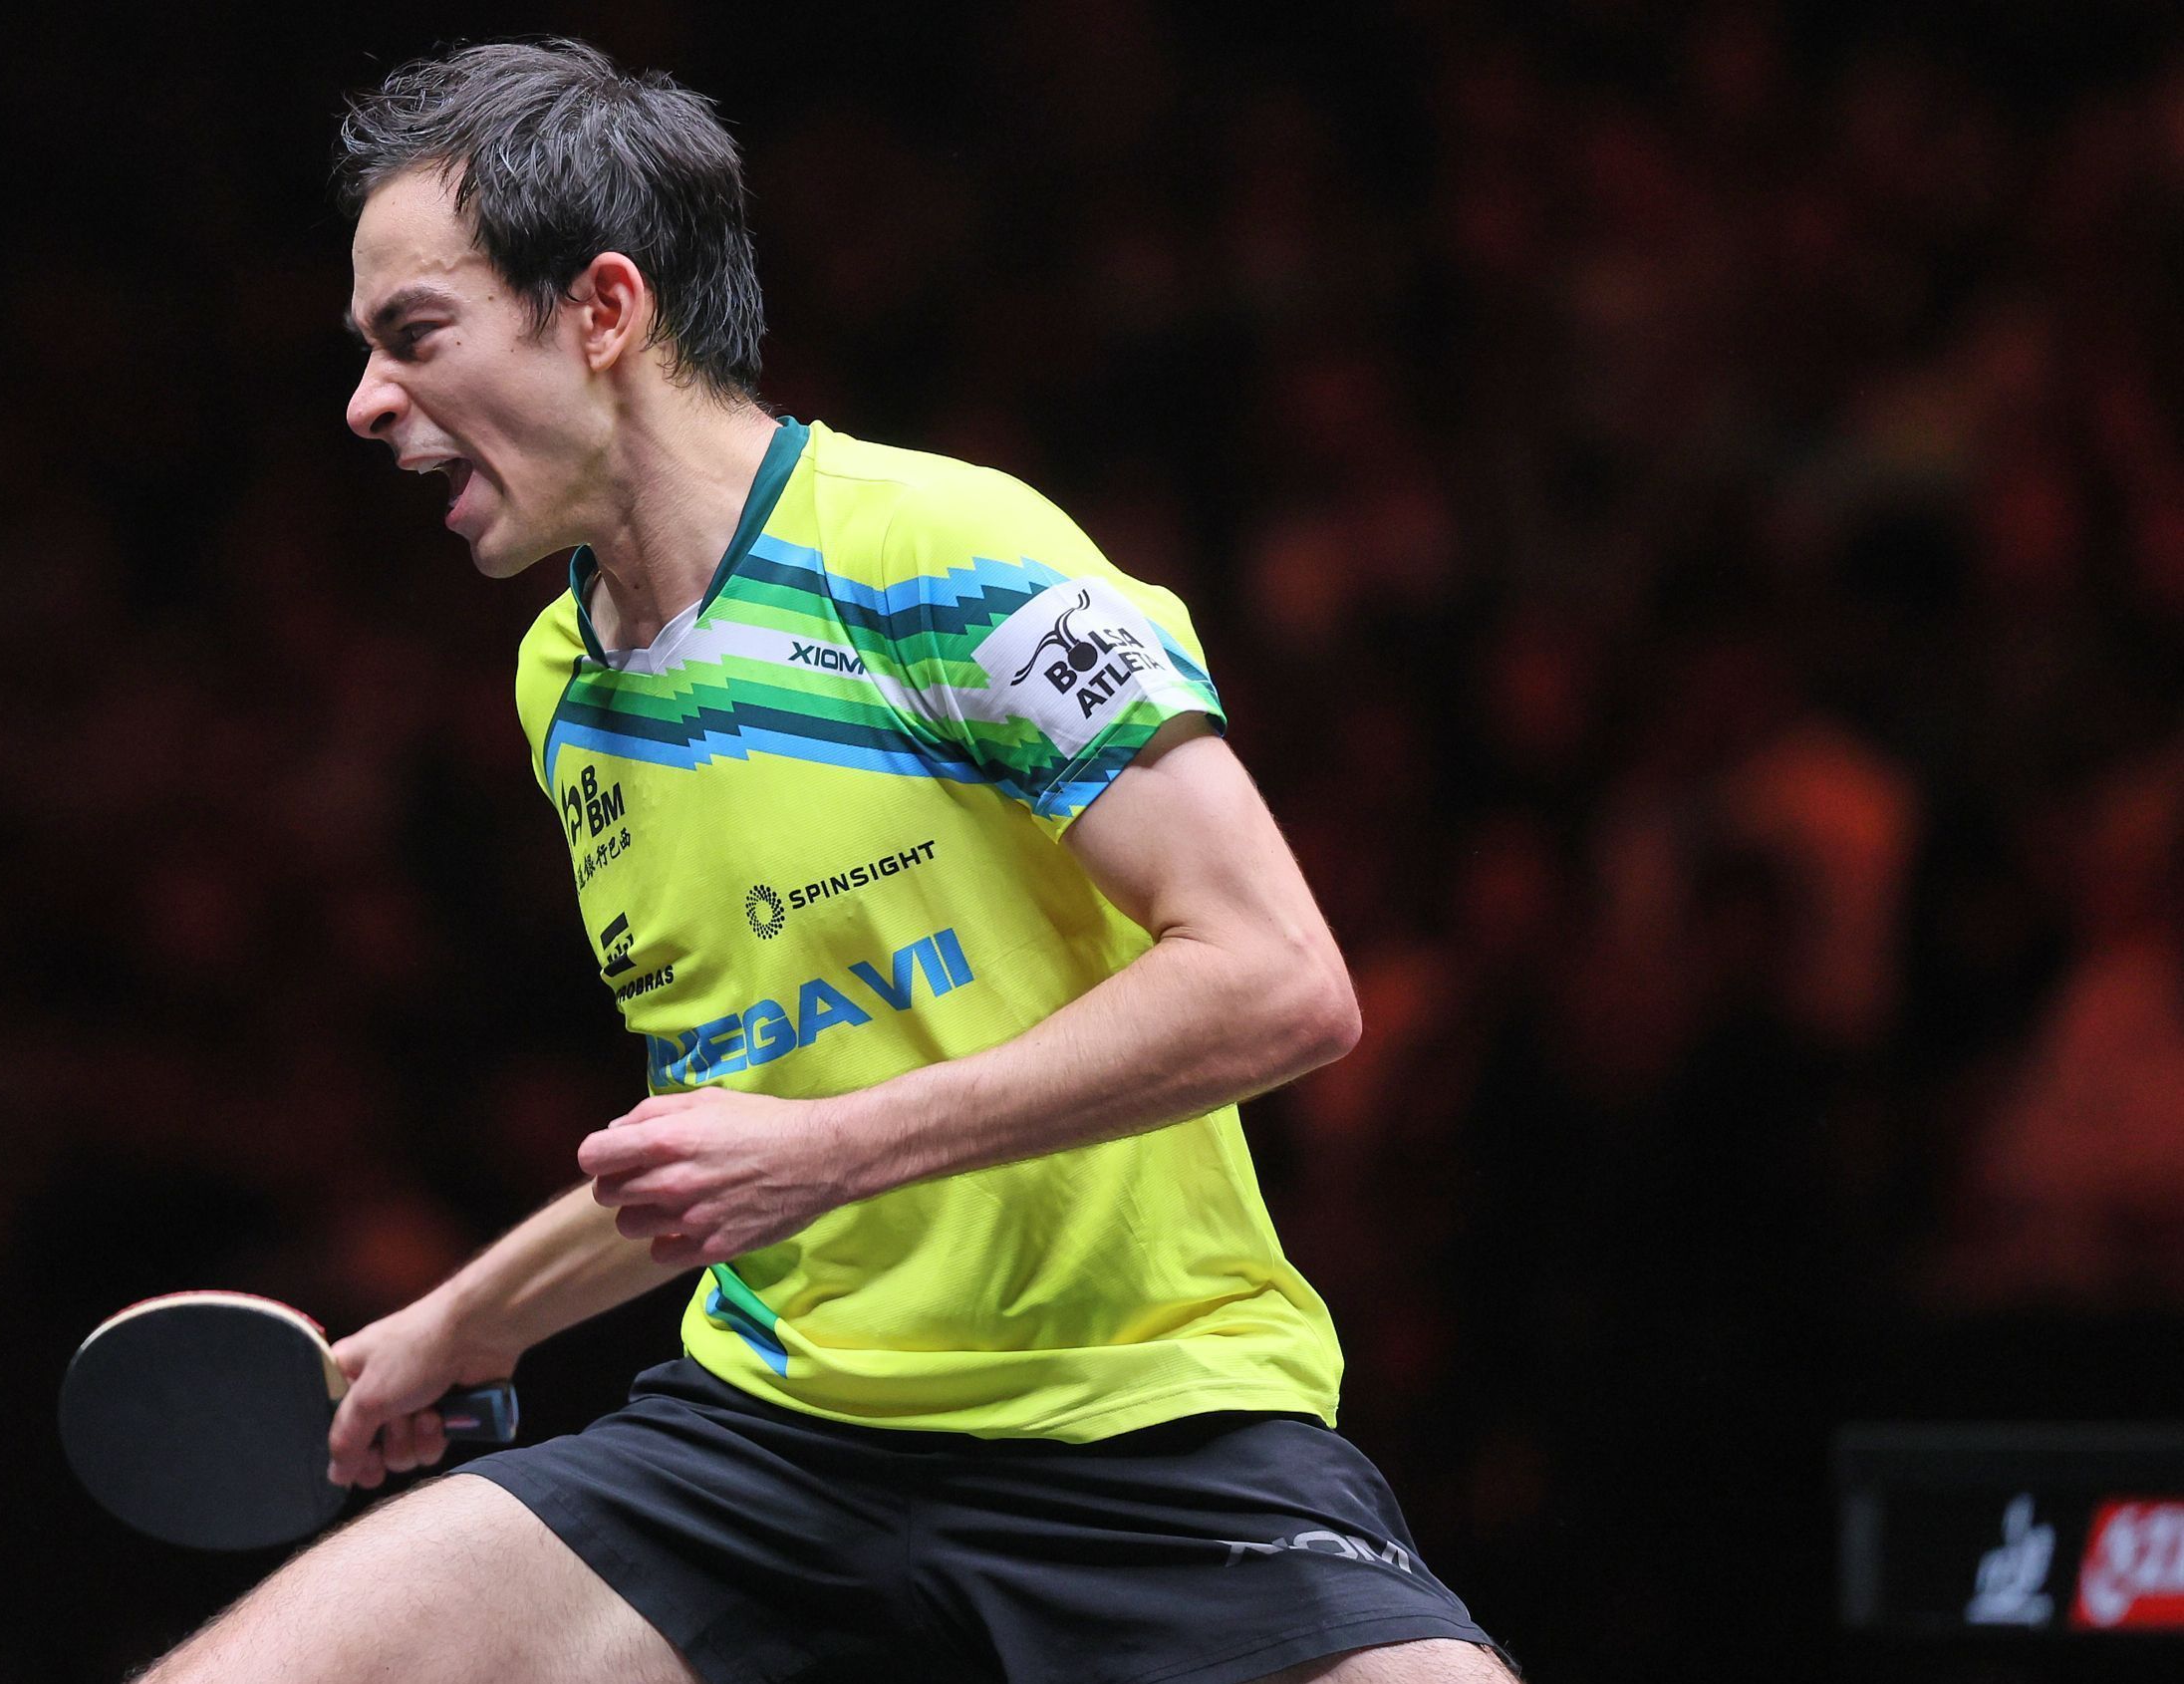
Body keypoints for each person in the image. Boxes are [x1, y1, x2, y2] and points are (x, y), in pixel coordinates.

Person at [144, 39, 1512, 1684]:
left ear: (602, 310)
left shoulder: (945, 555)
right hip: (773, 1443)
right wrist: (476, 1315)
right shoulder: (562, 686)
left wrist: (833, 1152)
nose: (365, 402)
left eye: (412, 337)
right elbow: (741, 1128)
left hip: (1147, 1423)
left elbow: (1281, 982)